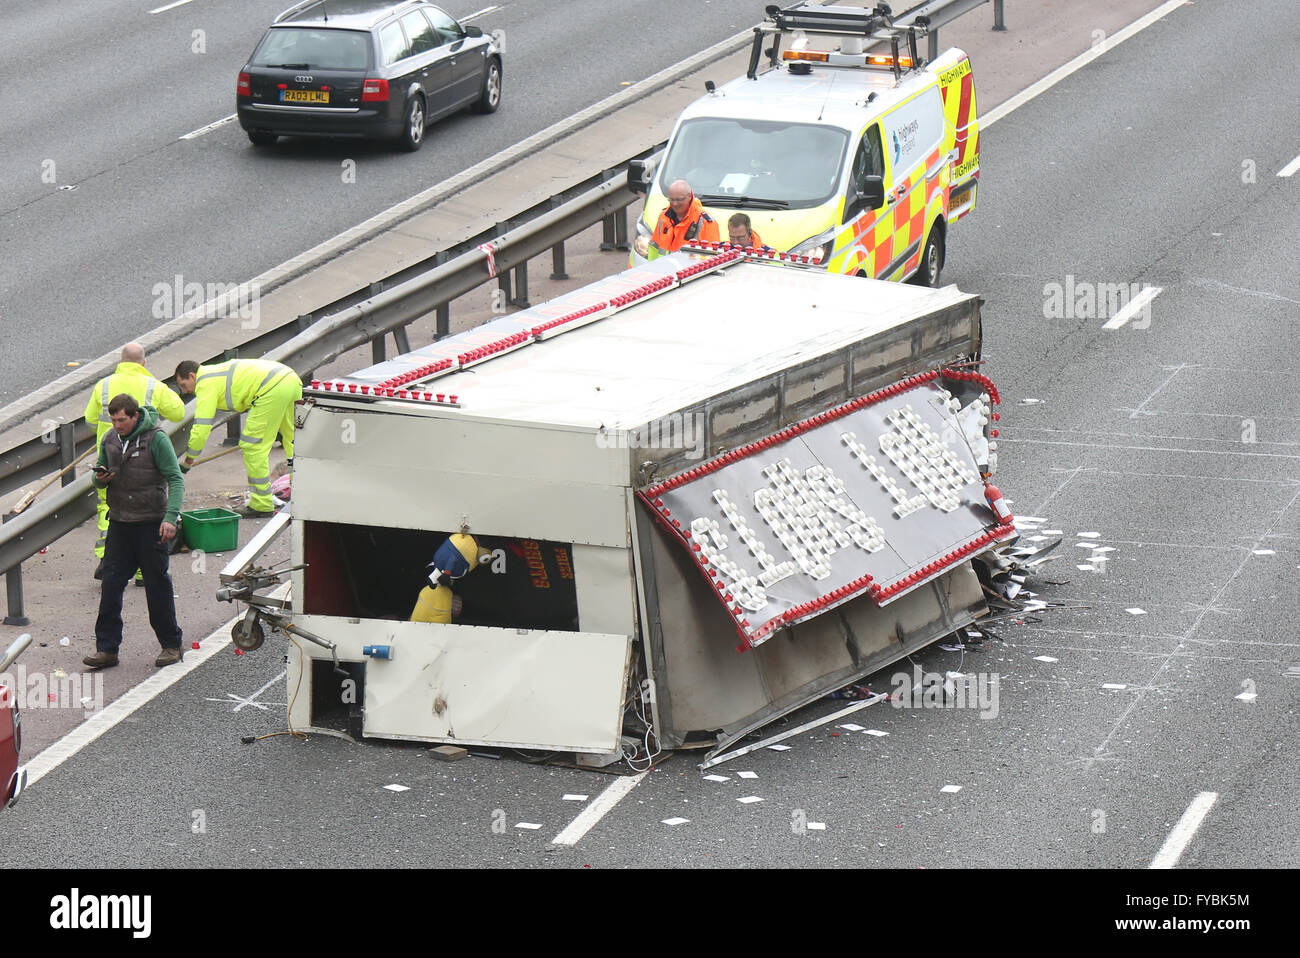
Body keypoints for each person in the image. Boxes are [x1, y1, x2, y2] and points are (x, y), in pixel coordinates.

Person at [82, 394, 185, 670]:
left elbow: (176, 479)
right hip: (120, 523)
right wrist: (99, 479)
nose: (117, 425)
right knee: (111, 585)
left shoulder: (156, 439)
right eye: (114, 420)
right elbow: (98, 479)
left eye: (122, 420)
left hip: (151, 525)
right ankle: (106, 650)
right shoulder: (110, 439)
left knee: (156, 585)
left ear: (135, 416)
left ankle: (171, 644)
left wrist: (170, 518)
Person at [84, 343, 185, 581]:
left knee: (108, 508)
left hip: (109, 458)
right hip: (143, 459)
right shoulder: (153, 385)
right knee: (143, 510)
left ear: (120, 361)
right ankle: (142, 571)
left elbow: (90, 419)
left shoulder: (103, 385)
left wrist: (107, 434)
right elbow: (179, 413)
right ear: (144, 363)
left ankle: (108, 559)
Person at [174, 358, 303, 518]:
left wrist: (189, 459)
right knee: (293, 439)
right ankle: (302, 490)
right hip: (290, 379)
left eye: (184, 385)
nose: (186, 391)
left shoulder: (205, 384)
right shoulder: (216, 372)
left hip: (272, 388)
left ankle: (261, 504)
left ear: (192, 376)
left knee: (253, 446)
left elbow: (201, 428)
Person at [647, 179, 719, 258]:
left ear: (689, 196)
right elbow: (654, 249)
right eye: (671, 200)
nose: (675, 203)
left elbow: (711, 259)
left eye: (679, 199)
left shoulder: (706, 223)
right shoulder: (663, 217)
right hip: (663, 266)